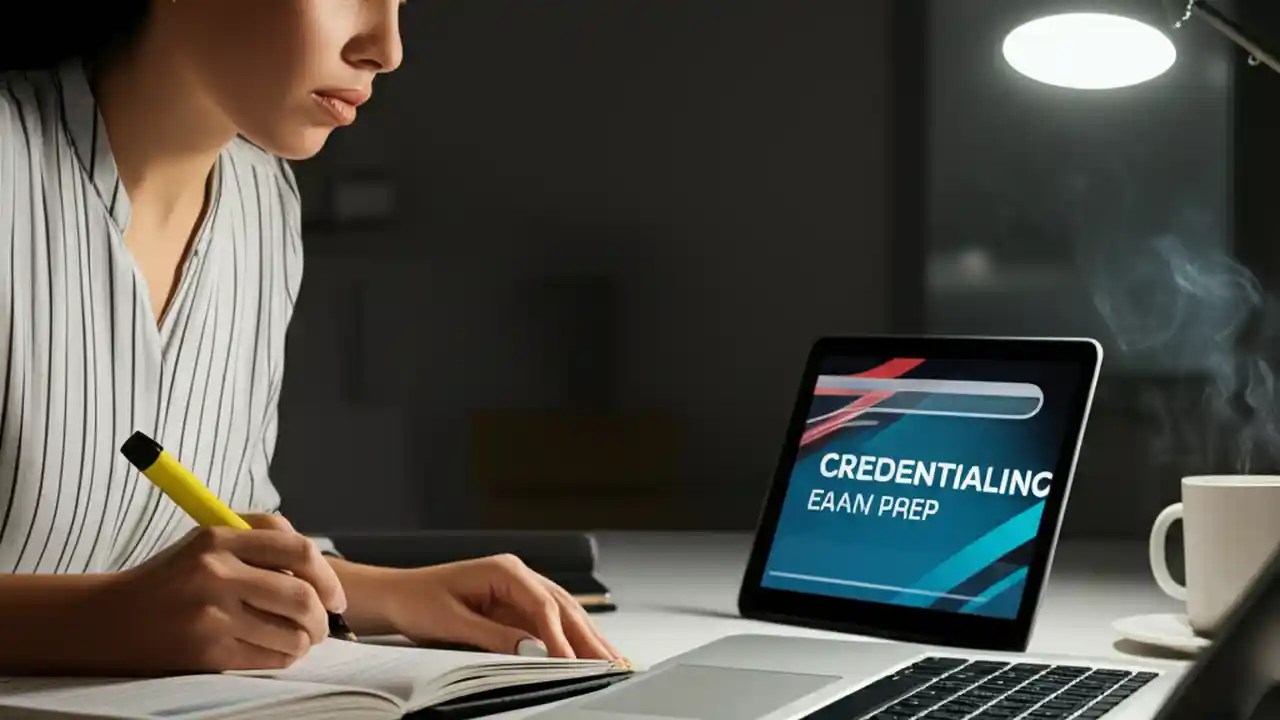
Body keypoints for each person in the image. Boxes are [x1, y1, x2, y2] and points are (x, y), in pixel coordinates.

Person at [0, 0, 620, 674]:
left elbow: (213, 551)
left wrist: (395, 592)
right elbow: (133, 605)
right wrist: (100, 626)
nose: (387, 48)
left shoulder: (263, 201)